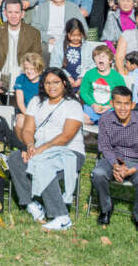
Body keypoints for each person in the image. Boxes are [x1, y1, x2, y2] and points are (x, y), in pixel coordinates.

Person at [11, 66, 84, 230]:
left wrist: (41, 149)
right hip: (39, 150)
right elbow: (28, 130)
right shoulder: (36, 102)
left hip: (70, 152)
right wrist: (30, 145)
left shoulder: (73, 105)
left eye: (56, 82)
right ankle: (32, 204)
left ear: (64, 83)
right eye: (47, 83)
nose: (52, 86)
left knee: (44, 164)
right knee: (15, 158)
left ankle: (61, 216)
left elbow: (66, 136)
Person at [91, 84, 138, 233]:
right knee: (98, 173)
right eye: (119, 103)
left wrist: (132, 169)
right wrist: (115, 165)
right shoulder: (105, 120)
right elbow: (105, 147)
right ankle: (106, 209)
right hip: (114, 159)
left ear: (132, 104)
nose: (123, 108)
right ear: (111, 104)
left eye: (127, 104)